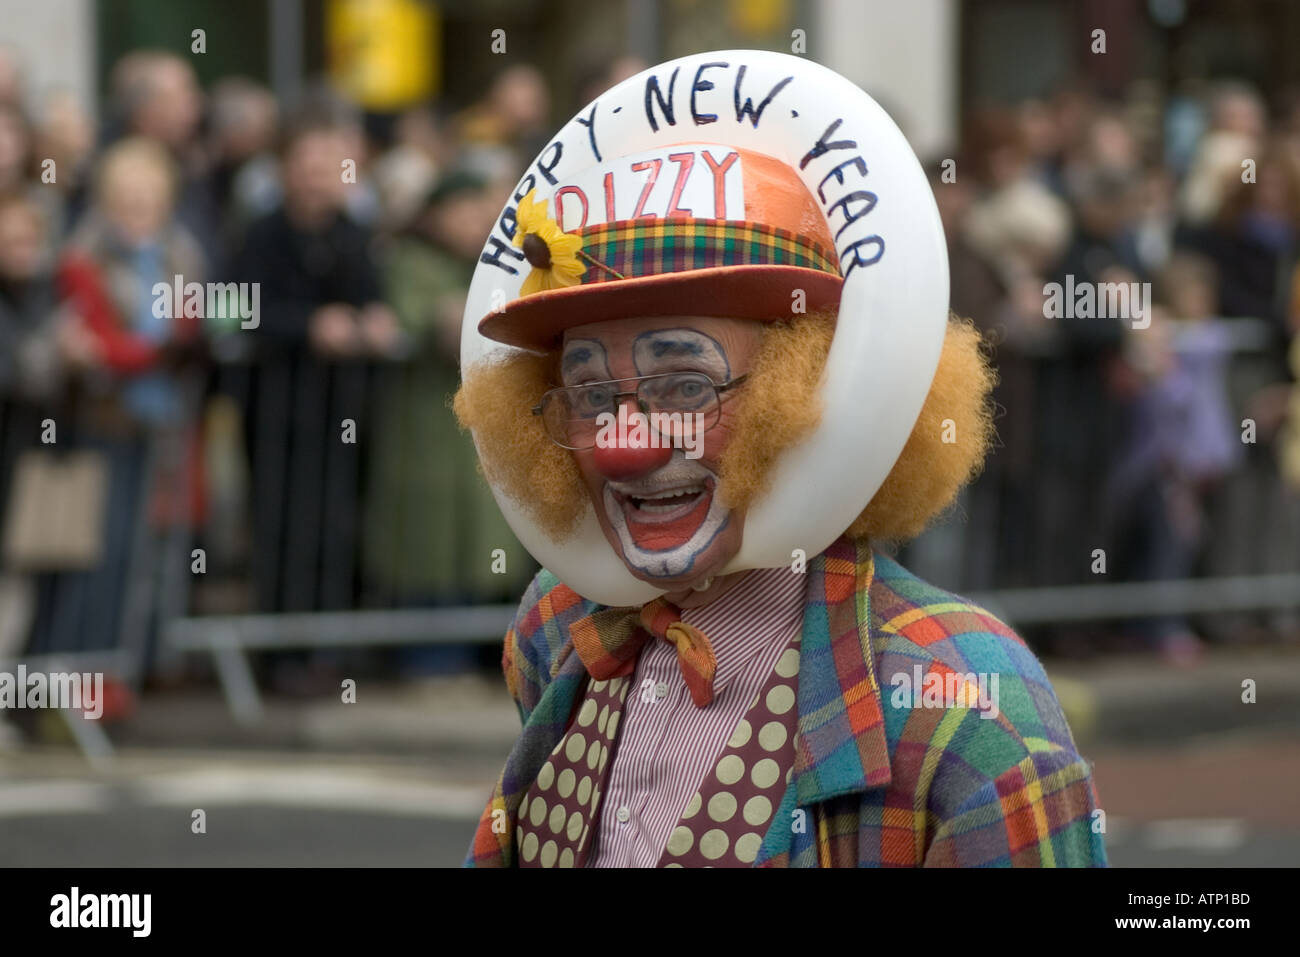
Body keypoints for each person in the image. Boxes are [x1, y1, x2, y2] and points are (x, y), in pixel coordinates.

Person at [454, 52, 1105, 868]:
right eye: (588, 392)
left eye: (685, 383)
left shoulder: (972, 702)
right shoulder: (558, 627)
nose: (626, 442)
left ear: (806, 389)